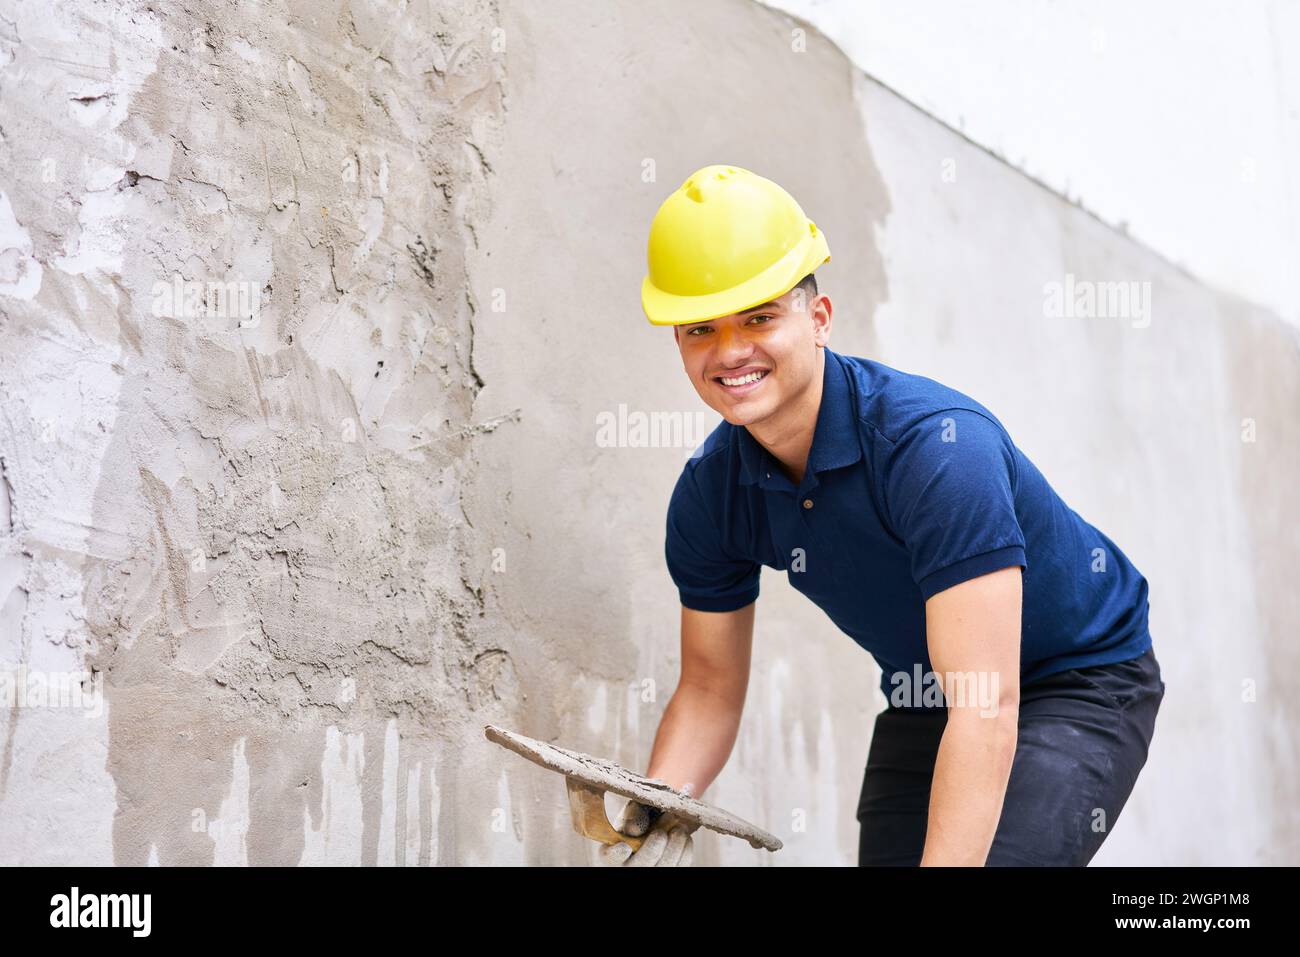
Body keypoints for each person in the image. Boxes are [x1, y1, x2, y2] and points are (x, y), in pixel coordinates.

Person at [600, 164, 1165, 867]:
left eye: (759, 317)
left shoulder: (937, 451)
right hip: (926, 693)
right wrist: (656, 810)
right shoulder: (710, 496)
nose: (730, 350)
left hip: (1075, 678)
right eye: (700, 329)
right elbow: (710, 689)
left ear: (819, 319)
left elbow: (986, 705)